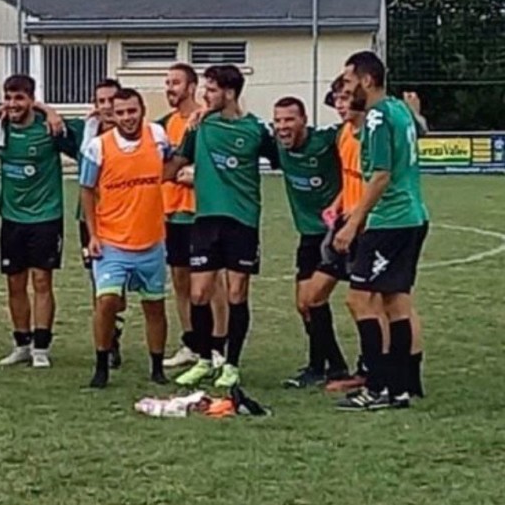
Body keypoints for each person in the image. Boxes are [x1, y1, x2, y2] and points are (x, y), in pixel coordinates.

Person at [164, 64, 280, 389]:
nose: (205, 95)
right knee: (198, 293)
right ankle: (204, 359)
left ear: (229, 92)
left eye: (211, 89)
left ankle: (232, 364)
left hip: (242, 221)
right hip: (206, 220)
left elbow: (283, 158)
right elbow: (175, 165)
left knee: (236, 292)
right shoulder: (199, 126)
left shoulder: (255, 129)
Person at [334, 51, 429, 411]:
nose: (345, 87)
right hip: (414, 216)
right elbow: (418, 130)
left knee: (360, 299)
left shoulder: (375, 117)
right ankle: (400, 389)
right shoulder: (399, 110)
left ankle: (375, 388)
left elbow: (381, 175)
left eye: (348, 80)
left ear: (367, 80)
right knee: (396, 302)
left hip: (390, 221)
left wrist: (353, 223)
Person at [79, 88, 171, 388]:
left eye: (132, 111)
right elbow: (87, 190)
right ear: (111, 115)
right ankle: (101, 364)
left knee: (154, 306)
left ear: (142, 110)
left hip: (152, 241)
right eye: (120, 112)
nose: (127, 117)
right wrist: (92, 235)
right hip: (111, 242)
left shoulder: (157, 136)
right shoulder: (98, 147)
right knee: (106, 302)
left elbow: (172, 162)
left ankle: (157, 367)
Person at [0, 74, 83, 370]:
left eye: (20, 98)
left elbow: (88, 139)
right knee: (14, 283)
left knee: (42, 281)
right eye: (9, 97)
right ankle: (21, 344)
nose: (13, 104)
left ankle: (41, 347)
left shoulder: (50, 128)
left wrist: (51, 112)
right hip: (11, 218)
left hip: (46, 217)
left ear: (31, 99)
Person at [269, 96, 352, 388]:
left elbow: (355, 128)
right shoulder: (276, 145)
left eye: (289, 119)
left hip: (336, 232)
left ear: (304, 119)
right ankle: (326, 366)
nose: (283, 126)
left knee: (315, 299)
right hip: (308, 235)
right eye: (278, 120)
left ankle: (333, 368)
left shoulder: (327, 140)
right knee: (304, 305)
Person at [157, 63, 230, 370]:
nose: (169, 88)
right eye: (167, 83)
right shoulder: (162, 125)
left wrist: (197, 175)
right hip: (172, 213)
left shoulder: (206, 121)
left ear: (191, 87)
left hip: (201, 213)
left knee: (212, 283)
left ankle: (218, 345)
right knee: (181, 281)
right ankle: (191, 342)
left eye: (175, 83)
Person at [79, 79, 126, 369]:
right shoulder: (87, 134)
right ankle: (109, 344)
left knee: (121, 293)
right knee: (100, 285)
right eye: (101, 101)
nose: (107, 107)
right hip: (92, 222)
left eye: (112, 100)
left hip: (127, 221)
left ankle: (115, 330)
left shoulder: (135, 133)